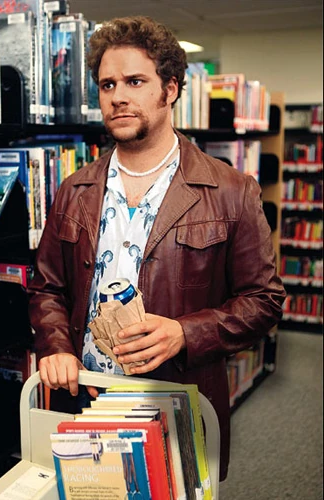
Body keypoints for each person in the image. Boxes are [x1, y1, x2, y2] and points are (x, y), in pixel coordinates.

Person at [27, 15, 286, 481]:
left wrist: (186, 333)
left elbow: (264, 301)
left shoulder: (231, 191)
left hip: (174, 403)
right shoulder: (73, 189)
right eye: (107, 85)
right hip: (86, 400)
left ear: (170, 89)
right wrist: (56, 346)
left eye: (135, 81)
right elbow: (47, 287)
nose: (118, 97)